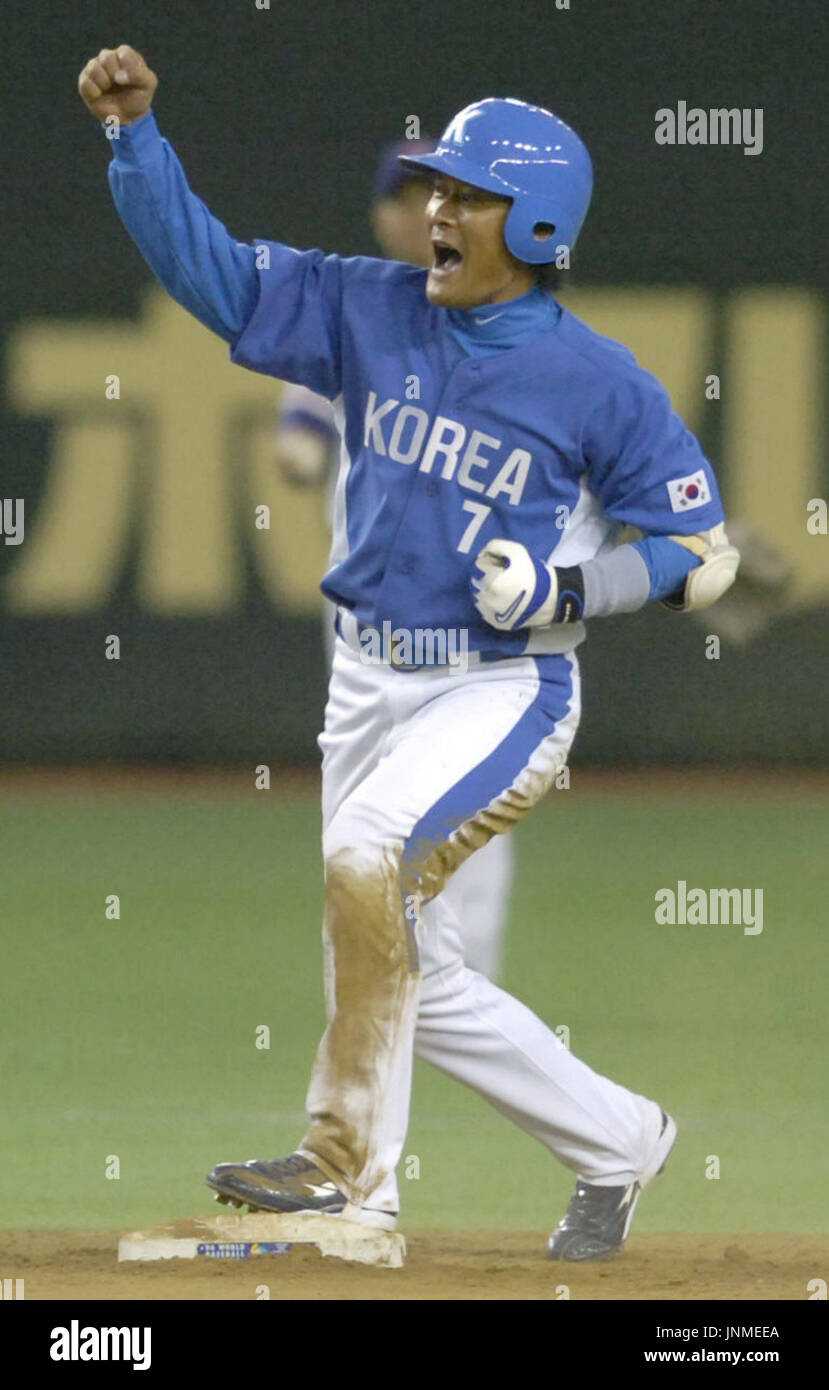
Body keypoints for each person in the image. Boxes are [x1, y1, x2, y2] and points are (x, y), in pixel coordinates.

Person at [79, 46, 740, 1260]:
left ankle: (348, 1184)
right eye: (435, 186)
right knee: (400, 959)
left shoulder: (596, 380)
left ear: (533, 221)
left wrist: (567, 583)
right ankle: (618, 1137)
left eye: (467, 193)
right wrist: (136, 142)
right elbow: (216, 275)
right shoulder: (365, 306)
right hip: (364, 680)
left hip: (499, 686)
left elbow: (702, 551)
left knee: (366, 858)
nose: (436, 207)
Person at [274, 139, 515, 982]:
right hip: (367, 604)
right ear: (382, 214)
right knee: (363, 803)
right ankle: (376, 981)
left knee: (469, 796)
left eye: (445, 194)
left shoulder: (510, 325)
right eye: (411, 194)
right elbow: (298, 439)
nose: (428, 211)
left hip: (477, 605)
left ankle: (461, 989)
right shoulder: (354, 315)